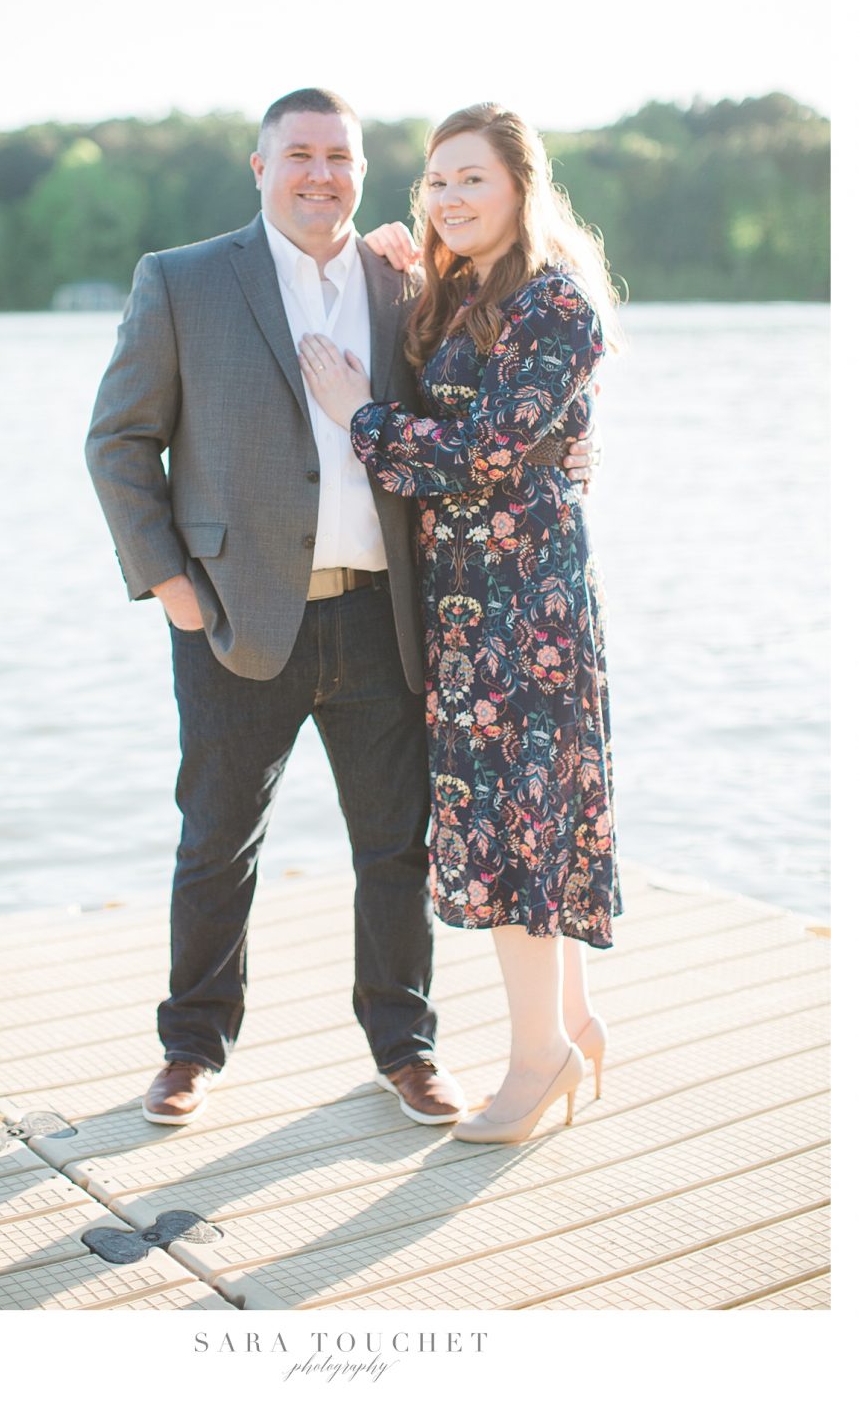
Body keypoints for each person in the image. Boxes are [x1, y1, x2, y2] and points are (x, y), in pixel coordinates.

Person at [85, 89, 596, 1129]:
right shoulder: (182, 280)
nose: (321, 174)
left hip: (385, 614)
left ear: (363, 173)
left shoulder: (407, 282)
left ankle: (406, 1048)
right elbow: (119, 442)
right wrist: (171, 584)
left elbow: (493, 402)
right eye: (300, 155)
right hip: (234, 615)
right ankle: (190, 1049)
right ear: (261, 166)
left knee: (394, 846)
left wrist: (565, 444)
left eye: (341, 158)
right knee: (216, 842)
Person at [299, 102, 621, 1145]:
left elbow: (485, 448)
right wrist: (406, 267)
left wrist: (359, 416)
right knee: (526, 815)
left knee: (523, 826)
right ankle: (572, 1025)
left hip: (526, 608)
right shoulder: (465, 292)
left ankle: (539, 1058)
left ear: (522, 186)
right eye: (436, 180)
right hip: (469, 605)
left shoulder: (553, 300)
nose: (448, 196)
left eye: (471, 178)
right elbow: (494, 427)